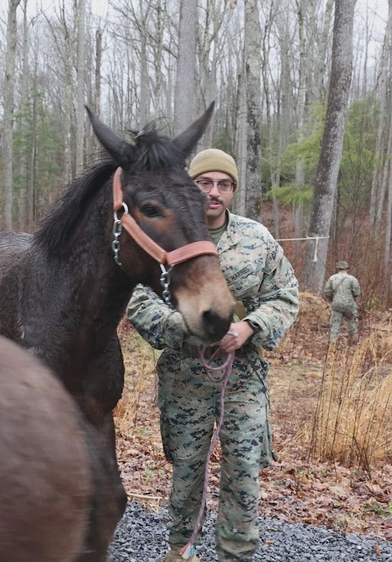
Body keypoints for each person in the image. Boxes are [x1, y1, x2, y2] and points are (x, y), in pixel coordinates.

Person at [126, 148, 299, 562]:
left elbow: (286, 296)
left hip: (243, 377)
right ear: (191, 186)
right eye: (205, 183)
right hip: (185, 378)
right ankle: (180, 551)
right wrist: (186, 330)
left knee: (242, 469)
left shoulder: (256, 239)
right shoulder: (167, 233)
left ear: (233, 190)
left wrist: (249, 327)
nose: (214, 192)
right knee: (187, 470)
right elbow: (136, 297)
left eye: (224, 184)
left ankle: (236, 553)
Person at [323, 260, 361, 344]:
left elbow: (327, 292)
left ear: (338, 268)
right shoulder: (352, 279)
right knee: (352, 322)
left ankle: (332, 343)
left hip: (336, 304)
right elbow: (357, 292)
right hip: (349, 305)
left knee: (335, 324)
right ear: (347, 268)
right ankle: (352, 342)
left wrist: (332, 299)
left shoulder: (332, 278)